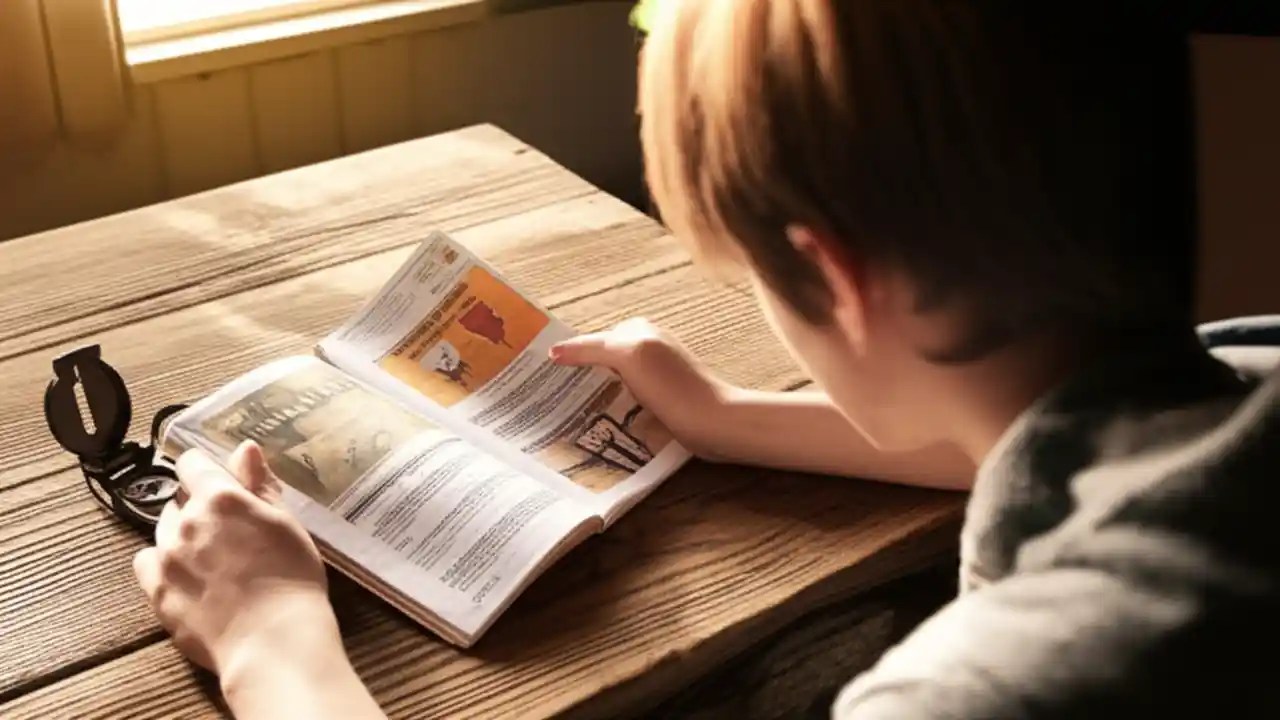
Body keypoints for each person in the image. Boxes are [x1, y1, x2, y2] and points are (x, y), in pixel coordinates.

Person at [133, 1, 1280, 718]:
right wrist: (733, 414)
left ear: (835, 282)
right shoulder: (1245, 373)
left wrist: (273, 642)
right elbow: (1026, 436)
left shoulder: (990, 691)